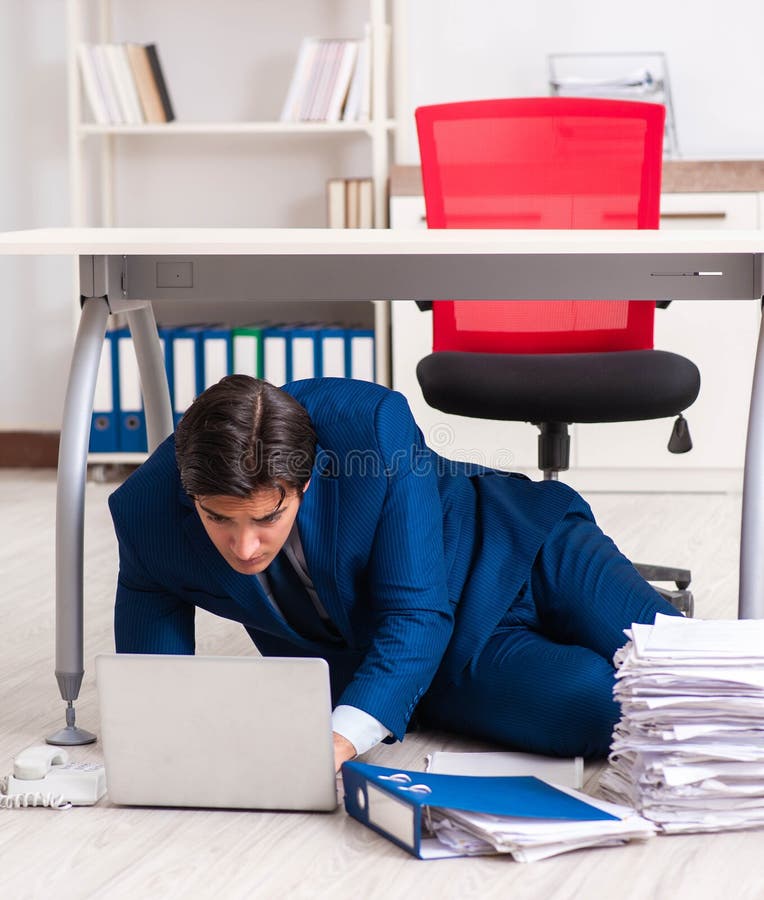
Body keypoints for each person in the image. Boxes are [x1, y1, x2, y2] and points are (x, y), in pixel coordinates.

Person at [109, 375, 681, 771]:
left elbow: (416, 611)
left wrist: (335, 744)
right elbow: (155, 695)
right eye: (218, 519)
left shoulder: (372, 425)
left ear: (304, 482)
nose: (244, 546)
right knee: (607, 707)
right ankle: (404, 693)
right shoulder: (145, 514)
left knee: (679, 666)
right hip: (439, 658)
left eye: (267, 518)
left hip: (519, 548)